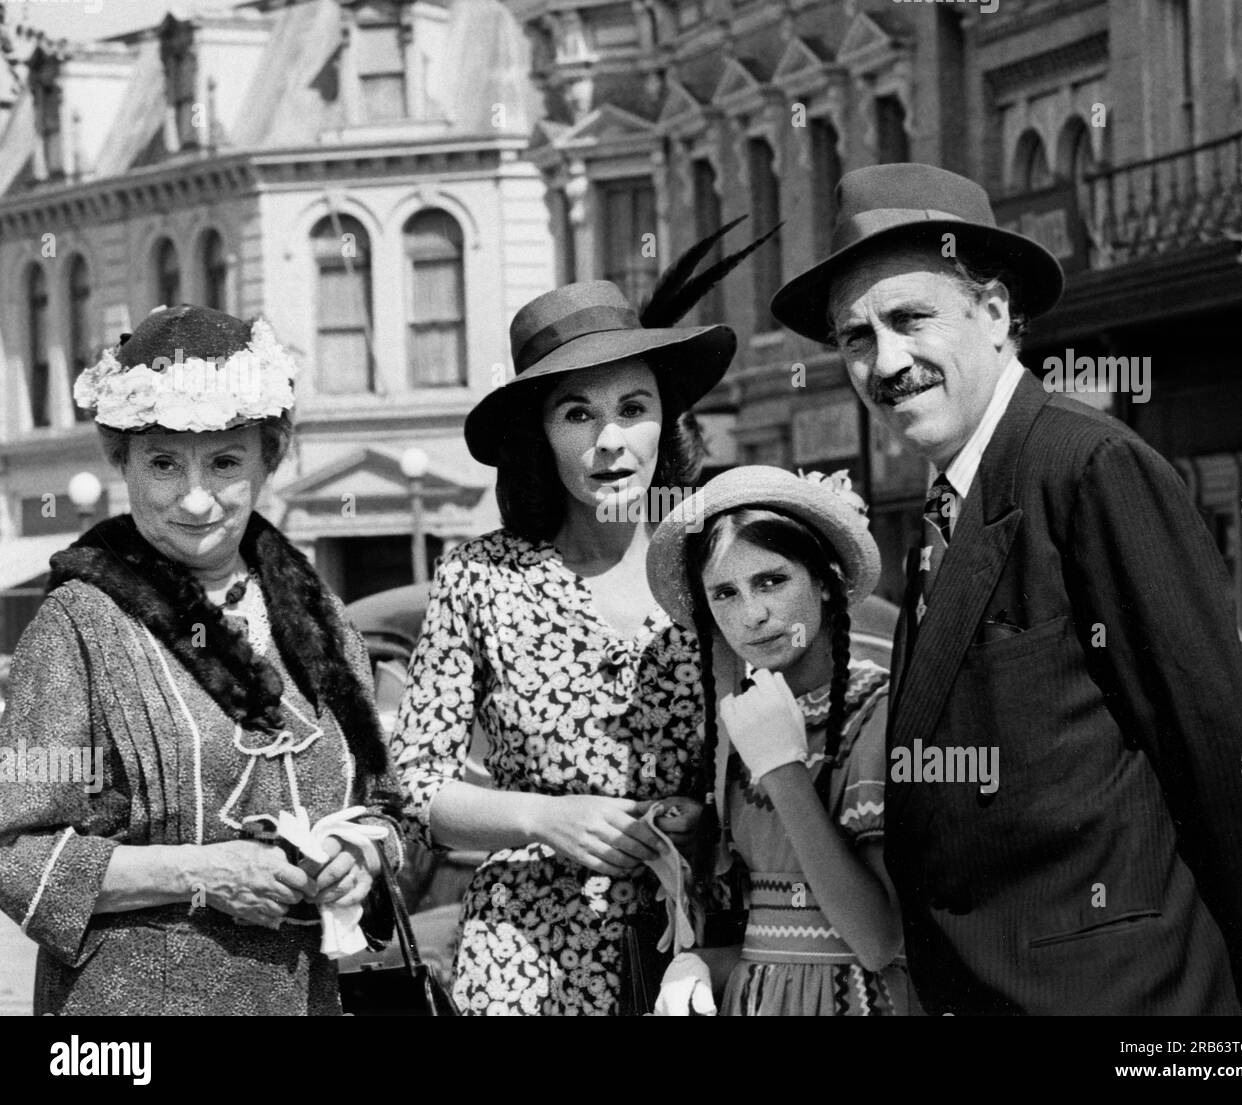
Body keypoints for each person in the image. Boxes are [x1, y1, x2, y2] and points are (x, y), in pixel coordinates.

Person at [769, 161, 1242, 1015]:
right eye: (856, 338)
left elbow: (1234, 760)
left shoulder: (1088, 467)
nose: (887, 361)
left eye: (910, 318)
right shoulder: (950, 511)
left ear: (996, 314)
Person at [0, 305, 403, 1015]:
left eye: (224, 461)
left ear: (268, 460)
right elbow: (14, 855)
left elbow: (385, 810)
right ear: (119, 458)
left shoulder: (319, 617)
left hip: (300, 999)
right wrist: (204, 872)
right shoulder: (80, 624)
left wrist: (362, 859)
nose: (193, 496)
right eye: (162, 462)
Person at [390, 270, 752, 1015]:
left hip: (697, 952)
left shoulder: (720, 568)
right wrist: (545, 818)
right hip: (523, 959)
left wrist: (700, 814)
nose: (610, 441)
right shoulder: (479, 576)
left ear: (665, 422)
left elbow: (781, 760)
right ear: (541, 434)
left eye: (633, 408)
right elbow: (413, 788)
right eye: (577, 413)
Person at [645, 465, 912, 1016]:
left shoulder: (877, 714)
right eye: (725, 593)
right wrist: (701, 962)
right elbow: (778, 934)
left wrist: (783, 771)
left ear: (823, 581)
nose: (753, 614)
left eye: (771, 581)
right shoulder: (744, 723)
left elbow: (878, 939)